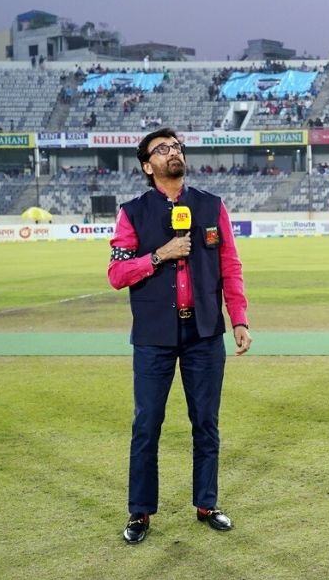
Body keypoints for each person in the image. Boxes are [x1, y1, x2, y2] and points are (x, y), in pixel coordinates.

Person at [108, 127, 252, 545]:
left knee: (206, 423)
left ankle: (207, 503)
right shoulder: (132, 213)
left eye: (176, 147)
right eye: (162, 149)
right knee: (146, 424)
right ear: (146, 166)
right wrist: (159, 255)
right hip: (153, 334)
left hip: (204, 332)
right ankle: (140, 512)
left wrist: (239, 318)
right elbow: (116, 273)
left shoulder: (211, 206)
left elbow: (230, 266)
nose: (173, 152)